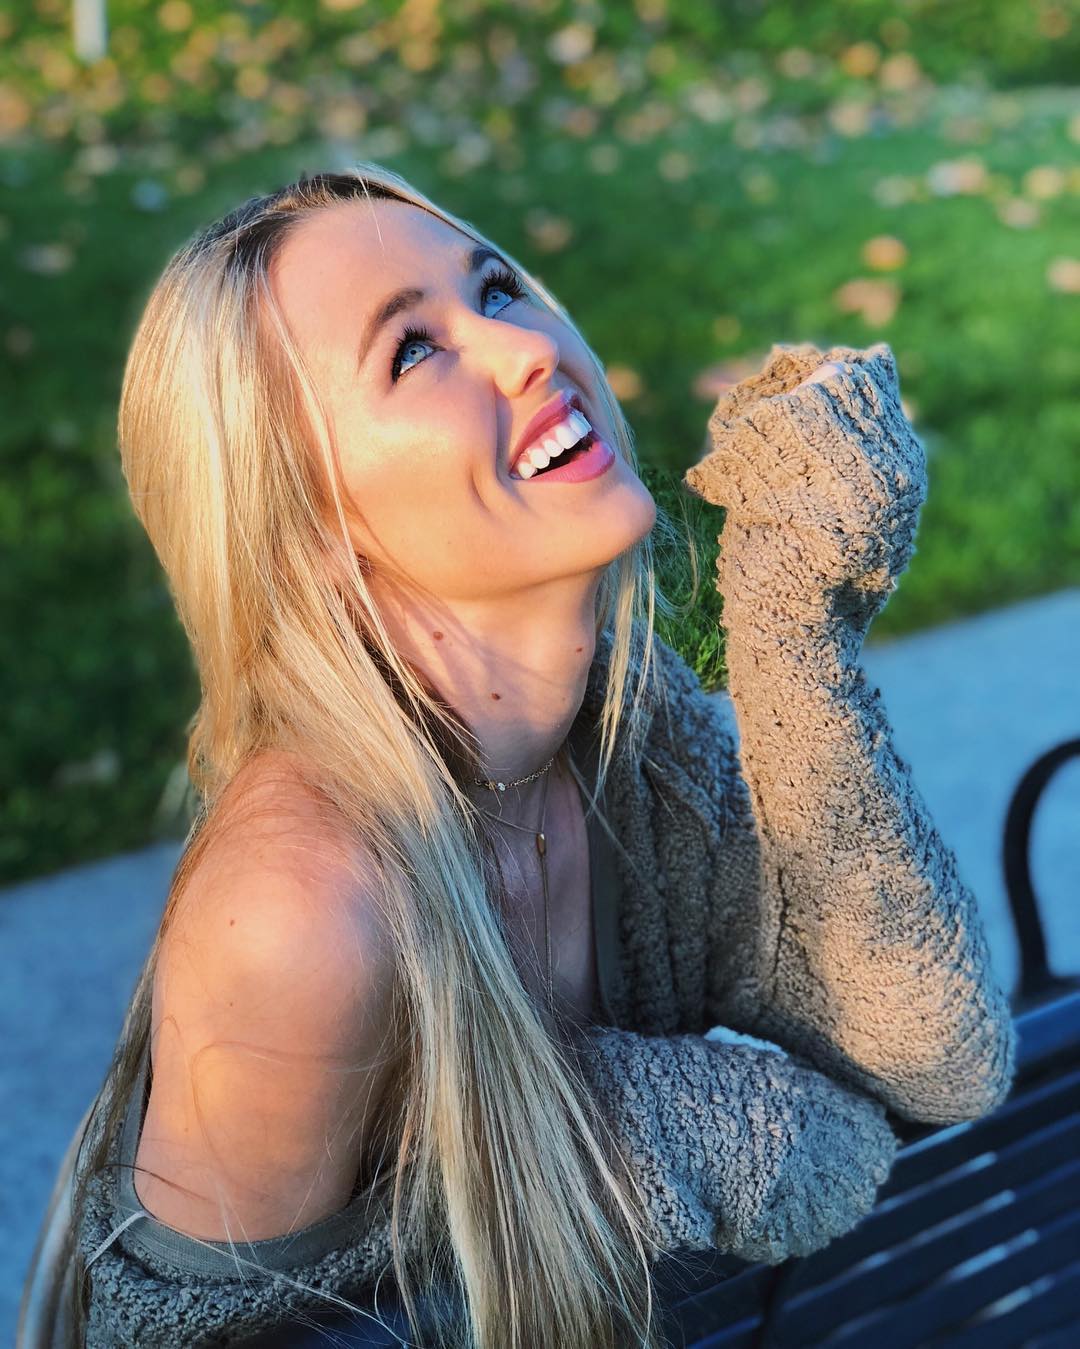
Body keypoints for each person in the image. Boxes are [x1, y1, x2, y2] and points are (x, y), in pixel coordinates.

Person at [53, 165, 1016, 1349]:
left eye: (498, 288)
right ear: (307, 530)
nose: (527, 349)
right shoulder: (308, 913)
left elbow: (934, 1055)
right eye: (412, 350)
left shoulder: (625, 739)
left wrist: (795, 633)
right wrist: (595, 1133)